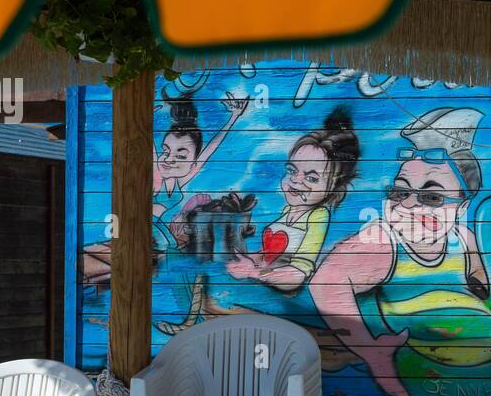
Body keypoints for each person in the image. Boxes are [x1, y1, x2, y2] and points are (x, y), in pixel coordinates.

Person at [309, 108, 491, 396]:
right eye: (399, 193)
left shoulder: (463, 239)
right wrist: (372, 353)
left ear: (460, 208)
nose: (407, 205)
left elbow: (488, 284)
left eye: (430, 197)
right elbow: (326, 283)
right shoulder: (382, 243)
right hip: (410, 372)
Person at [82, 79, 246, 284]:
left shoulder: (179, 179)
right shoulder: (157, 178)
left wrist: (232, 119)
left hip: (153, 248)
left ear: (193, 162)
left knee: (95, 270)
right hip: (134, 242)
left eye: (181, 156)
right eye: (166, 152)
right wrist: (145, 120)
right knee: (87, 265)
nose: (169, 160)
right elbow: (149, 146)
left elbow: (208, 152)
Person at [226, 108, 360, 292]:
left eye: (311, 178)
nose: (296, 180)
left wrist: (254, 273)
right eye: (291, 171)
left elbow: (298, 274)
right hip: (266, 288)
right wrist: (247, 261)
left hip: (284, 298)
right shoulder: (288, 211)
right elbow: (268, 256)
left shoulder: (318, 216)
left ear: (334, 187)